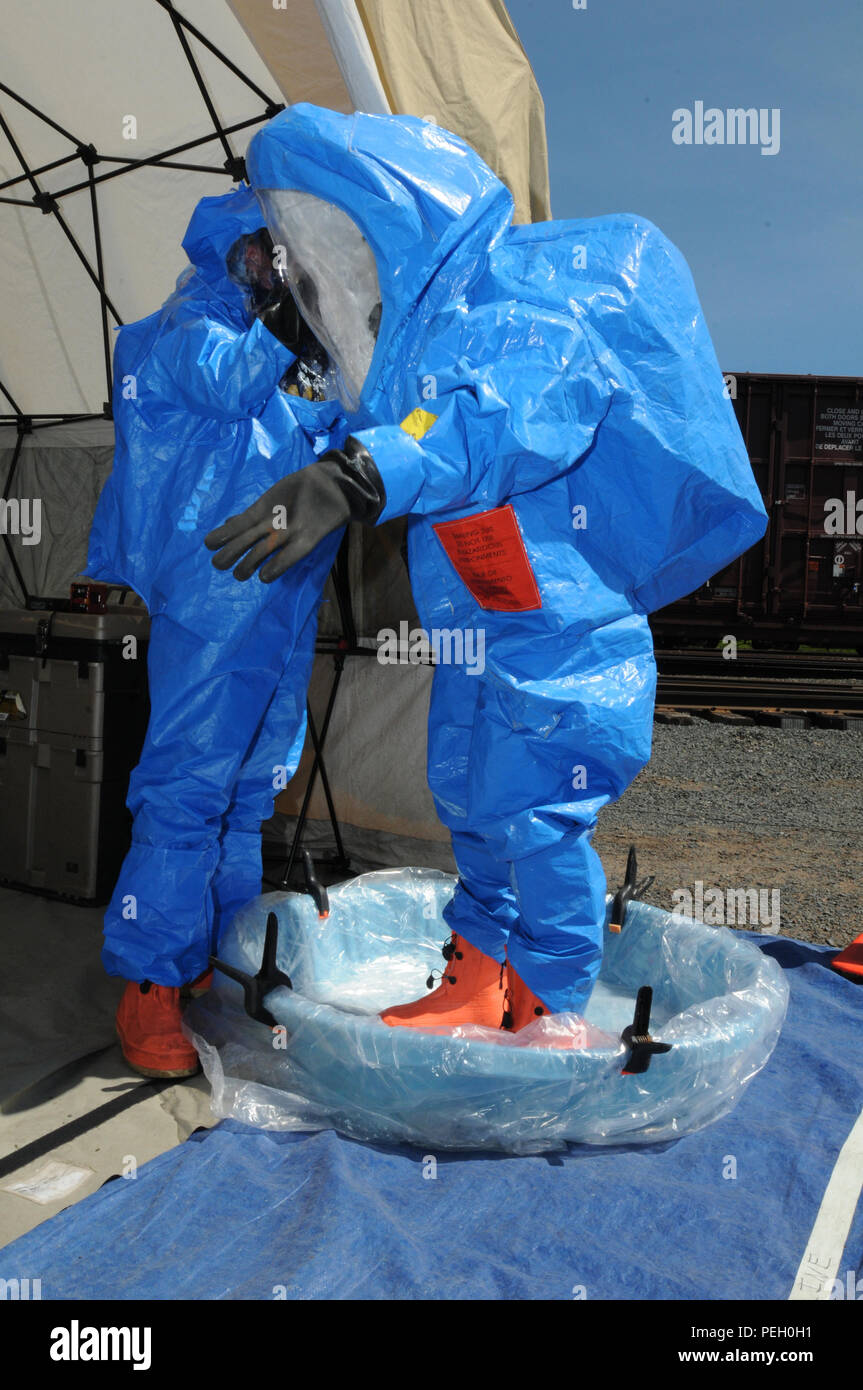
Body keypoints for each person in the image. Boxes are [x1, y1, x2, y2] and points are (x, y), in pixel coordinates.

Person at [206, 105, 767, 1036]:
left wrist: (358, 474)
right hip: (486, 611)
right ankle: (476, 977)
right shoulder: (420, 343)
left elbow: (494, 416)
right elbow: (422, 422)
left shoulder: (516, 310)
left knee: (537, 815)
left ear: (385, 217)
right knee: (471, 788)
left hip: (555, 624)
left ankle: (547, 1006)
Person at [87, 184, 355, 1077]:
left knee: (248, 795)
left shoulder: (283, 358)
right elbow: (229, 381)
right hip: (210, 598)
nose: (274, 264)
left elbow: (337, 431)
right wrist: (300, 312)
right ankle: (149, 988)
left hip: (279, 599)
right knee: (187, 788)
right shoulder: (179, 333)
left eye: (284, 250)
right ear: (223, 248)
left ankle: (218, 961)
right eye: (262, 248)